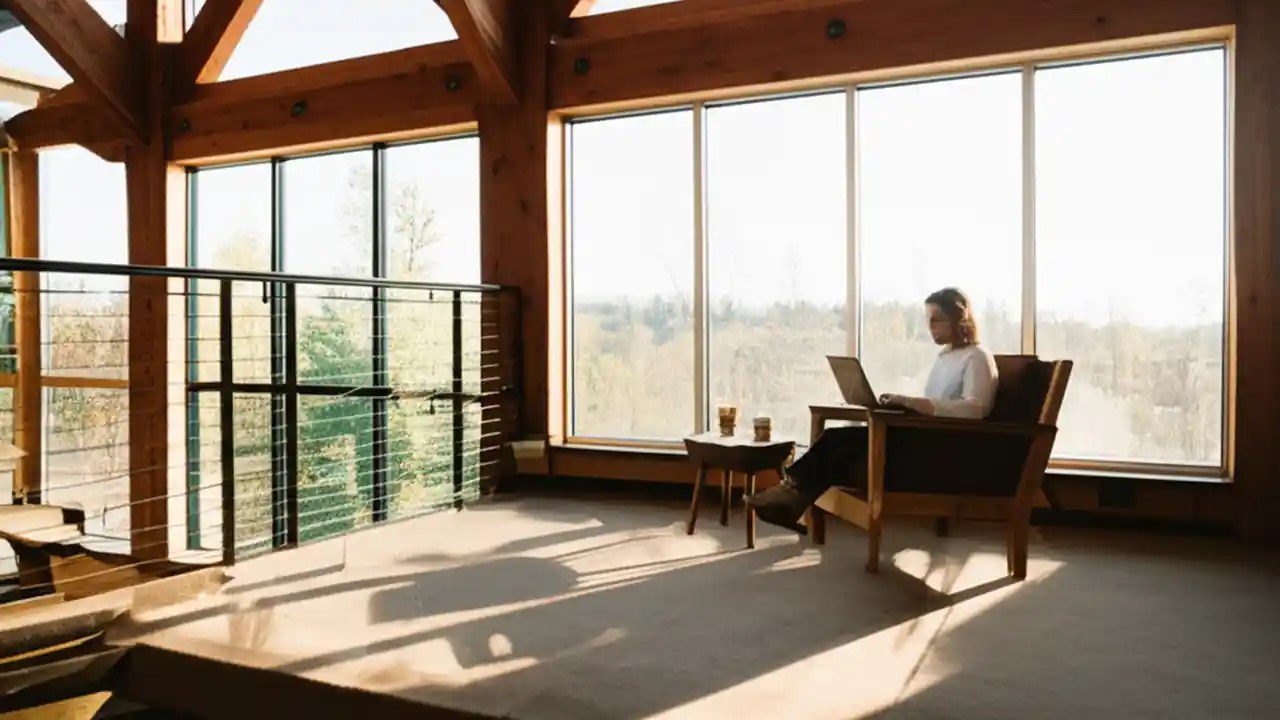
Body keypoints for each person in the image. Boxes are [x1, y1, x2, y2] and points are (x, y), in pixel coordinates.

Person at [745, 287, 999, 533]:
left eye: (937, 319)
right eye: (927, 319)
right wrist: (902, 403)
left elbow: (976, 409)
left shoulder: (977, 357)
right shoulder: (945, 357)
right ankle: (790, 494)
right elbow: (937, 404)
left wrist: (915, 403)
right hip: (925, 437)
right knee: (836, 438)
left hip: (943, 451)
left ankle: (788, 499)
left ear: (958, 319)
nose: (930, 326)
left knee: (843, 448)